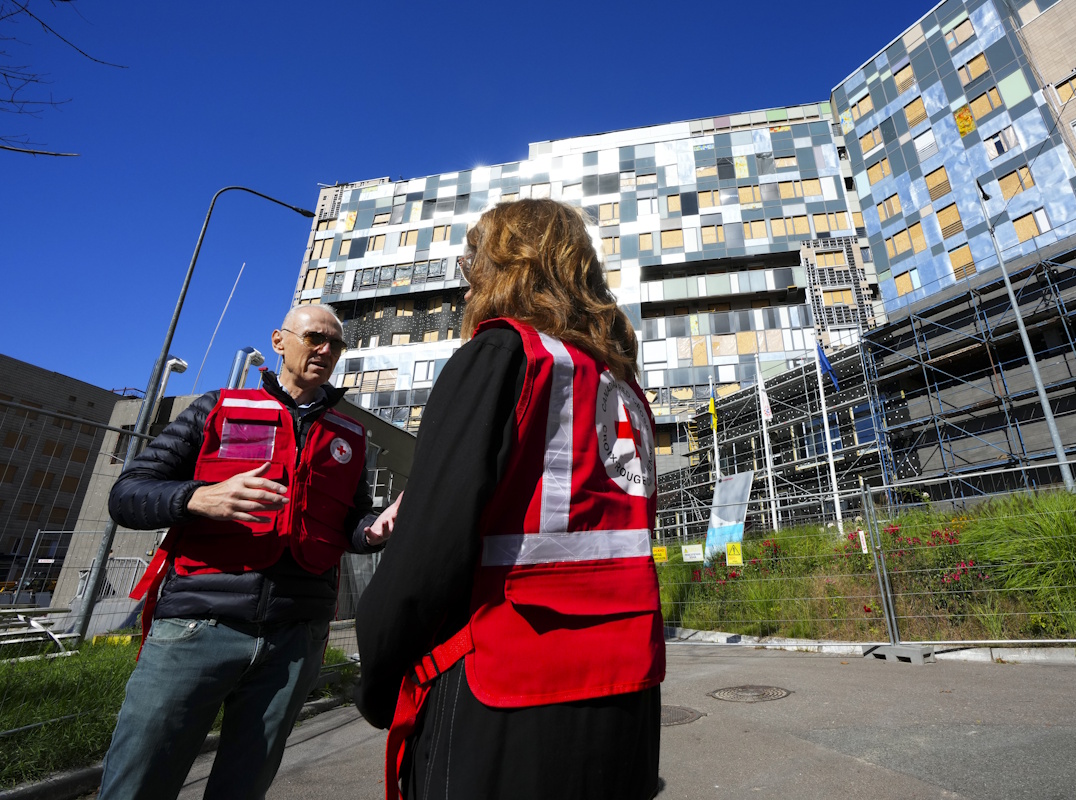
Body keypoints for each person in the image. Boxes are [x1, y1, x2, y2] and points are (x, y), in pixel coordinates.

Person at [355, 198, 665, 800]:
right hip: (626, 692)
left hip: (505, 691)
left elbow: (427, 553)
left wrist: (378, 675)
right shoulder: (623, 390)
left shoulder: (503, 356)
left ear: (502, 264)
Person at [99, 304, 392, 800]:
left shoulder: (351, 437)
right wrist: (196, 497)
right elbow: (127, 494)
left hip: (295, 637)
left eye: (336, 344)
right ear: (279, 341)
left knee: (243, 787)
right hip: (198, 626)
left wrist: (376, 529)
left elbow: (351, 526)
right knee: (138, 782)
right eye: (315, 337)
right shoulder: (216, 408)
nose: (326, 350)